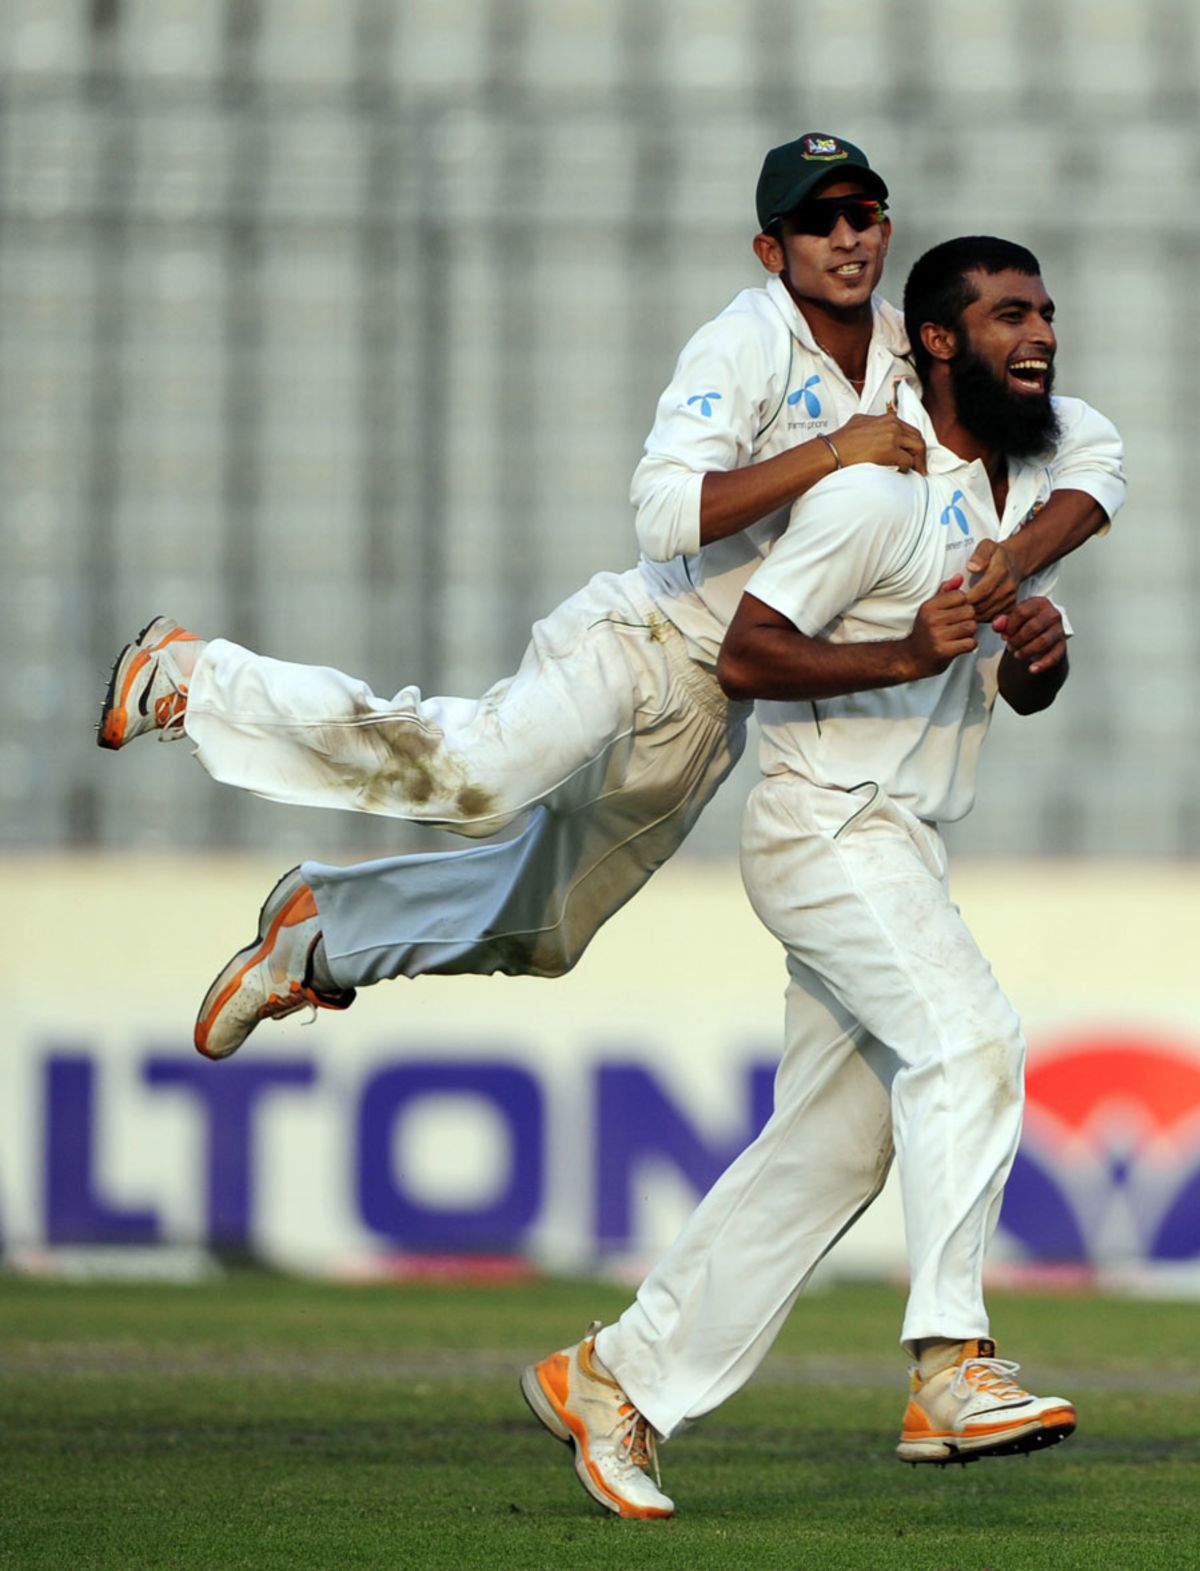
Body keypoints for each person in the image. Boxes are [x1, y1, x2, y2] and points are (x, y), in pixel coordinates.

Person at [97, 135, 1119, 1063]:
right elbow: (664, 513)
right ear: (774, 250)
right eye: (820, 221)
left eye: (867, 214)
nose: (849, 237)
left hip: (723, 700)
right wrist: (831, 452)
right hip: (642, 636)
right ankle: (196, 679)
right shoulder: (746, 342)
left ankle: (324, 936)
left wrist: (1015, 556)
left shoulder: (911, 343)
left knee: (549, 932)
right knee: (478, 775)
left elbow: (1093, 450)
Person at [519, 236, 1122, 1520]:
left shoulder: (1034, 471)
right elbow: (747, 652)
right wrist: (908, 654)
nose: (1044, 331)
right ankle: (950, 1366)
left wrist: (1034, 652)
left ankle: (614, 1377)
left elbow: (1073, 535)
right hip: (823, 821)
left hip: (901, 835)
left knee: (836, 1150)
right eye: (1011, 313)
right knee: (970, 1040)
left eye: (1049, 311)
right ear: (940, 341)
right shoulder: (872, 492)